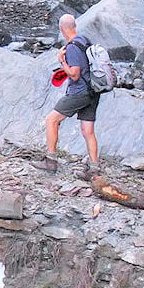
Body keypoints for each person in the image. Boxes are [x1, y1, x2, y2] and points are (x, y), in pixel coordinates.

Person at [43, 13, 100, 172]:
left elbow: (74, 74)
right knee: (88, 131)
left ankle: (50, 161)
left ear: (62, 29)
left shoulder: (72, 47)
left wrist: (62, 60)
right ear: (74, 26)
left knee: (51, 120)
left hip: (79, 92)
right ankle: (94, 168)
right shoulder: (84, 41)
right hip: (93, 91)